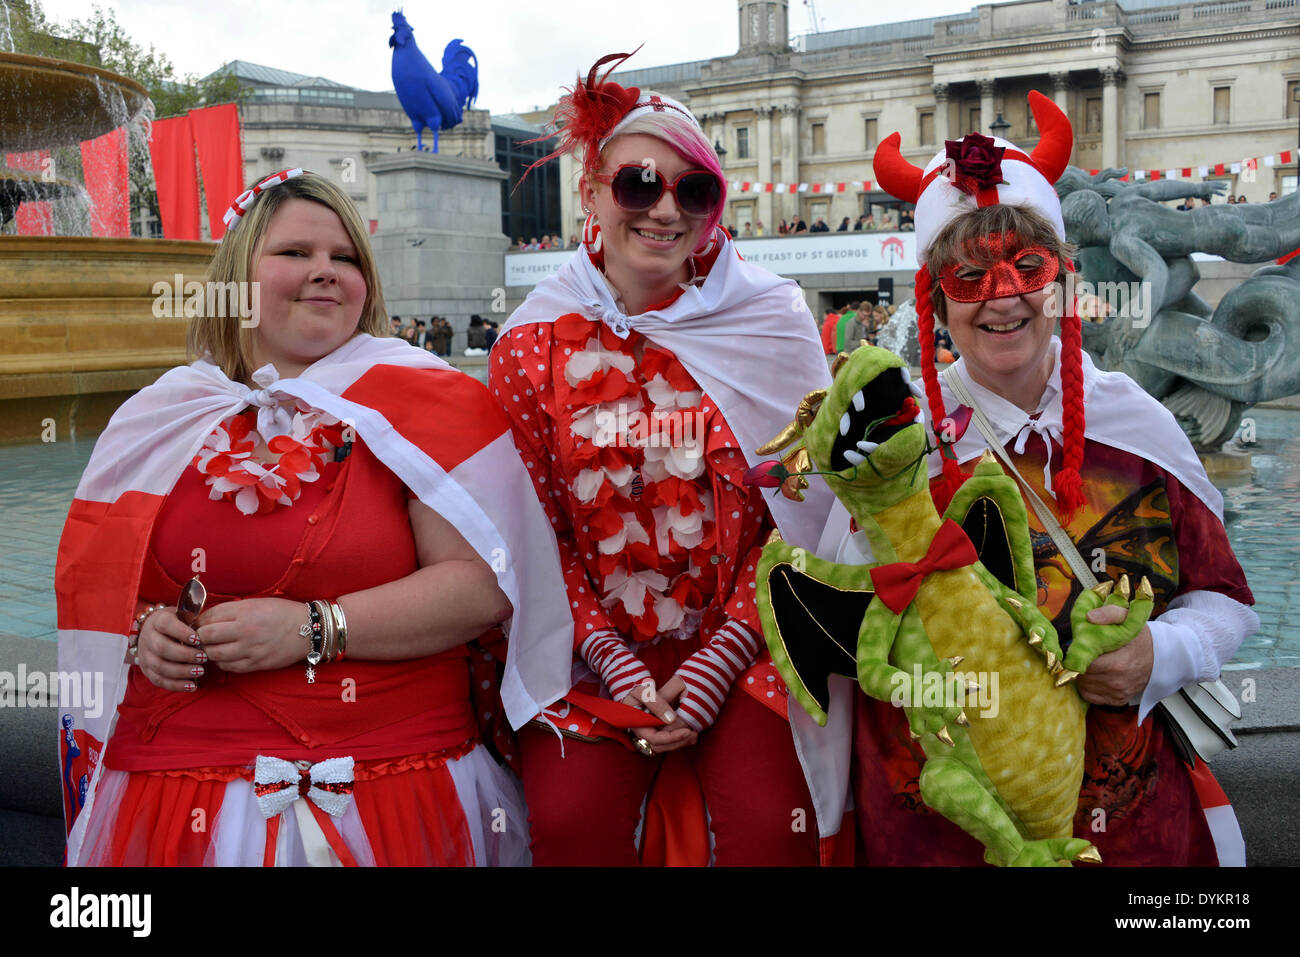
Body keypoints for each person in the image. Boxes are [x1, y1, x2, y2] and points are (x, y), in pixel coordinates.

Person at [55, 169, 572, 866]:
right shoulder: (158, 415)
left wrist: (312, 629)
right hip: (172, 784)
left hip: (390, 782)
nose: (325, 272)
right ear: (237, 275)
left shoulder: (428, 404)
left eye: (346, 257)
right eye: (296, 253)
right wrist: (147, 632)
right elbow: (106, 588)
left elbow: (484, 585)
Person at [839, 92, 1259, 865]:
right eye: (969, 277)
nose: (1003, 295)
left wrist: (1155, 656)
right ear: (937, 299)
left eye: (1026, 267)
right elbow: (841, 624)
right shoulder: (893, 442)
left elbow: (1227, 601)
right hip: (939, 822)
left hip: (1123, 823)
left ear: (1060, 278)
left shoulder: (1139, 424)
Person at [492, 52, 839, 865]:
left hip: (750, 643)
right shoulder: (526, 347)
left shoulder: (773, 324)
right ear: (591, 192)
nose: (665, 210)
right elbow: (533, 531)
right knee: (570, 826)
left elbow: (810, 512)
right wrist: (614, 664)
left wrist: (720, 660)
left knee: (769, 828)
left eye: (694, 190)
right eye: (638, 184)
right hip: (582, 652)